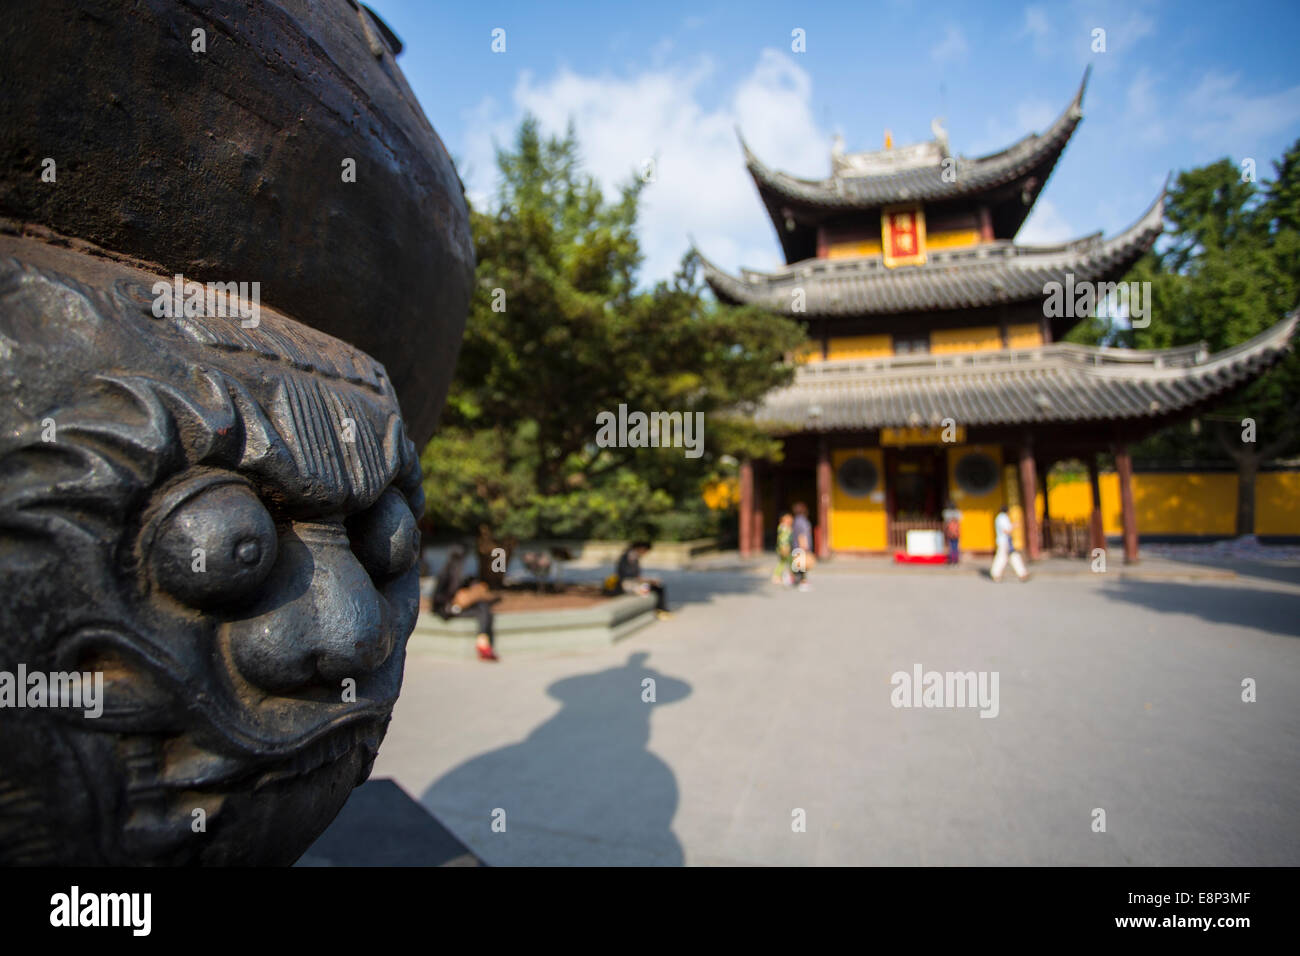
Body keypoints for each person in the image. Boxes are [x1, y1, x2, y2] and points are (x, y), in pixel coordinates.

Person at [433, 544, 500, 660]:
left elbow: (461, 588)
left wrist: (472, 583)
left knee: (483, 607)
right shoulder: (445, 574)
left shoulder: (458, 574)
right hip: (447, 610)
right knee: (482, 610)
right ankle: (483, 645)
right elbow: (437, 598)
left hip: (459, 606)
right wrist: (450, 604)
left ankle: (482, 642)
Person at [606, 540, 671, 619]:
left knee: (657, 587)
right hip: (627, 586)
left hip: (630, 584)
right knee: (657, 588)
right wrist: (647, 581)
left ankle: (661, 609)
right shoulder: (630, 556)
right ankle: (661, 610)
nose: (645, 553)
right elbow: (630, 576)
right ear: (641, 548)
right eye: (645, 551)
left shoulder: (630, 555)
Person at [990, 506, 1030, 582]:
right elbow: (1006, 530)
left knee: (1014, 556)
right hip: (1004, 541)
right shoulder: (1002, 518)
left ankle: (1022, 573)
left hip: (1006, 541)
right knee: (1002, 558)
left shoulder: (999, 517)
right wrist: (1014, 525)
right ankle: (995, 573)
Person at [791, 502, 814, 591]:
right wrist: (804, 546)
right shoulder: (802, 521)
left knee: (798, 566)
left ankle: (796, 580)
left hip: (796, 546)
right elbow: (802, 535)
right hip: (801, 546)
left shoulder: (796, 520)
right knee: (802, 566)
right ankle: (802, 582)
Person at [773, 512, 795, 585]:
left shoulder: (782, 527)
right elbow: (783, 539)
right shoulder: (784, 528)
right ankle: (790, 576)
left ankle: (778, 576)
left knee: (783, 562)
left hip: (784, 547)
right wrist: (784, 547)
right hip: (784, 547)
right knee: (789, 562)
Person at [941, 499, 963, 566]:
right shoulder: (958, 513)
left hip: (950, 532)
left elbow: (945, 519)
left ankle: (952, 559)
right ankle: (956, 559)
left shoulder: (947, 513)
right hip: (956, 532)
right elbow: (961, 519)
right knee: (955, 546)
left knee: (951, 546)